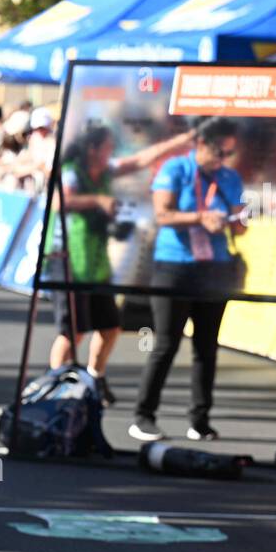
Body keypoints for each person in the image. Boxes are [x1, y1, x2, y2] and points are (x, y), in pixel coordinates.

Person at [45, 123, 194, 405]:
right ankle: (54, 385)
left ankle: (94, 377)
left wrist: (180, 141)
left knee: (110, 326)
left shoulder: (105, 170)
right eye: (107, 147)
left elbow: (139, 160)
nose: (111, 152)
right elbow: (59, 202)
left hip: (95, 260)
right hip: (68, 260)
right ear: (93, 150)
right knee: (73, 332)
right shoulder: (72, 171)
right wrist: (99, 200)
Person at [130, 117, 247, 443]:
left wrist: (237, 221)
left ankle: (200, 419)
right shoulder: (175, 169)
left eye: (227, 153)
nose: (222, 159)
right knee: (166, 343)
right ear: (200, 145)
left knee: (207, 347)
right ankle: (144, 415)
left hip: (215, 267)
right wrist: (199, 217)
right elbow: (163, 214)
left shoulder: (229, 177)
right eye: (217, 152)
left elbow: (241, 220)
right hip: (174, 267)